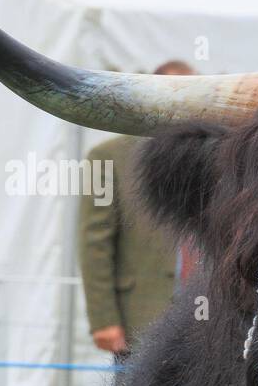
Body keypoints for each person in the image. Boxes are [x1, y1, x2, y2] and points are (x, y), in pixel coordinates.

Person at [78, 60, 196, 359]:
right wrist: (104, 320)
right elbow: (95, 244)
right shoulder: (106, 157)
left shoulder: (214, 155)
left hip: (203, 321)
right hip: (141, 317)